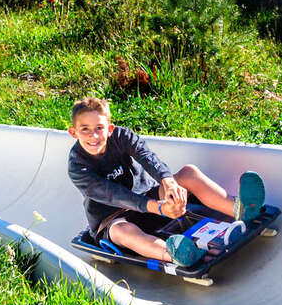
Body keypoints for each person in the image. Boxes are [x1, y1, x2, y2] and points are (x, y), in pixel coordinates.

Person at [67, 97, 265, 267]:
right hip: (113, 217)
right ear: (73, 132)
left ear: (109, 129)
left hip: (149, 201)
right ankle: (178, 255)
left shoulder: (121, 136)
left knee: (188, 173)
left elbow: (147, 157)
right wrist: (159, 208)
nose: (93, 136)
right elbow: (113, 195)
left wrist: (168, 181)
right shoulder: (77, 166)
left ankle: (240, 209)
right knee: (122, 232)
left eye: (99, 128)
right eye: (85, 129)